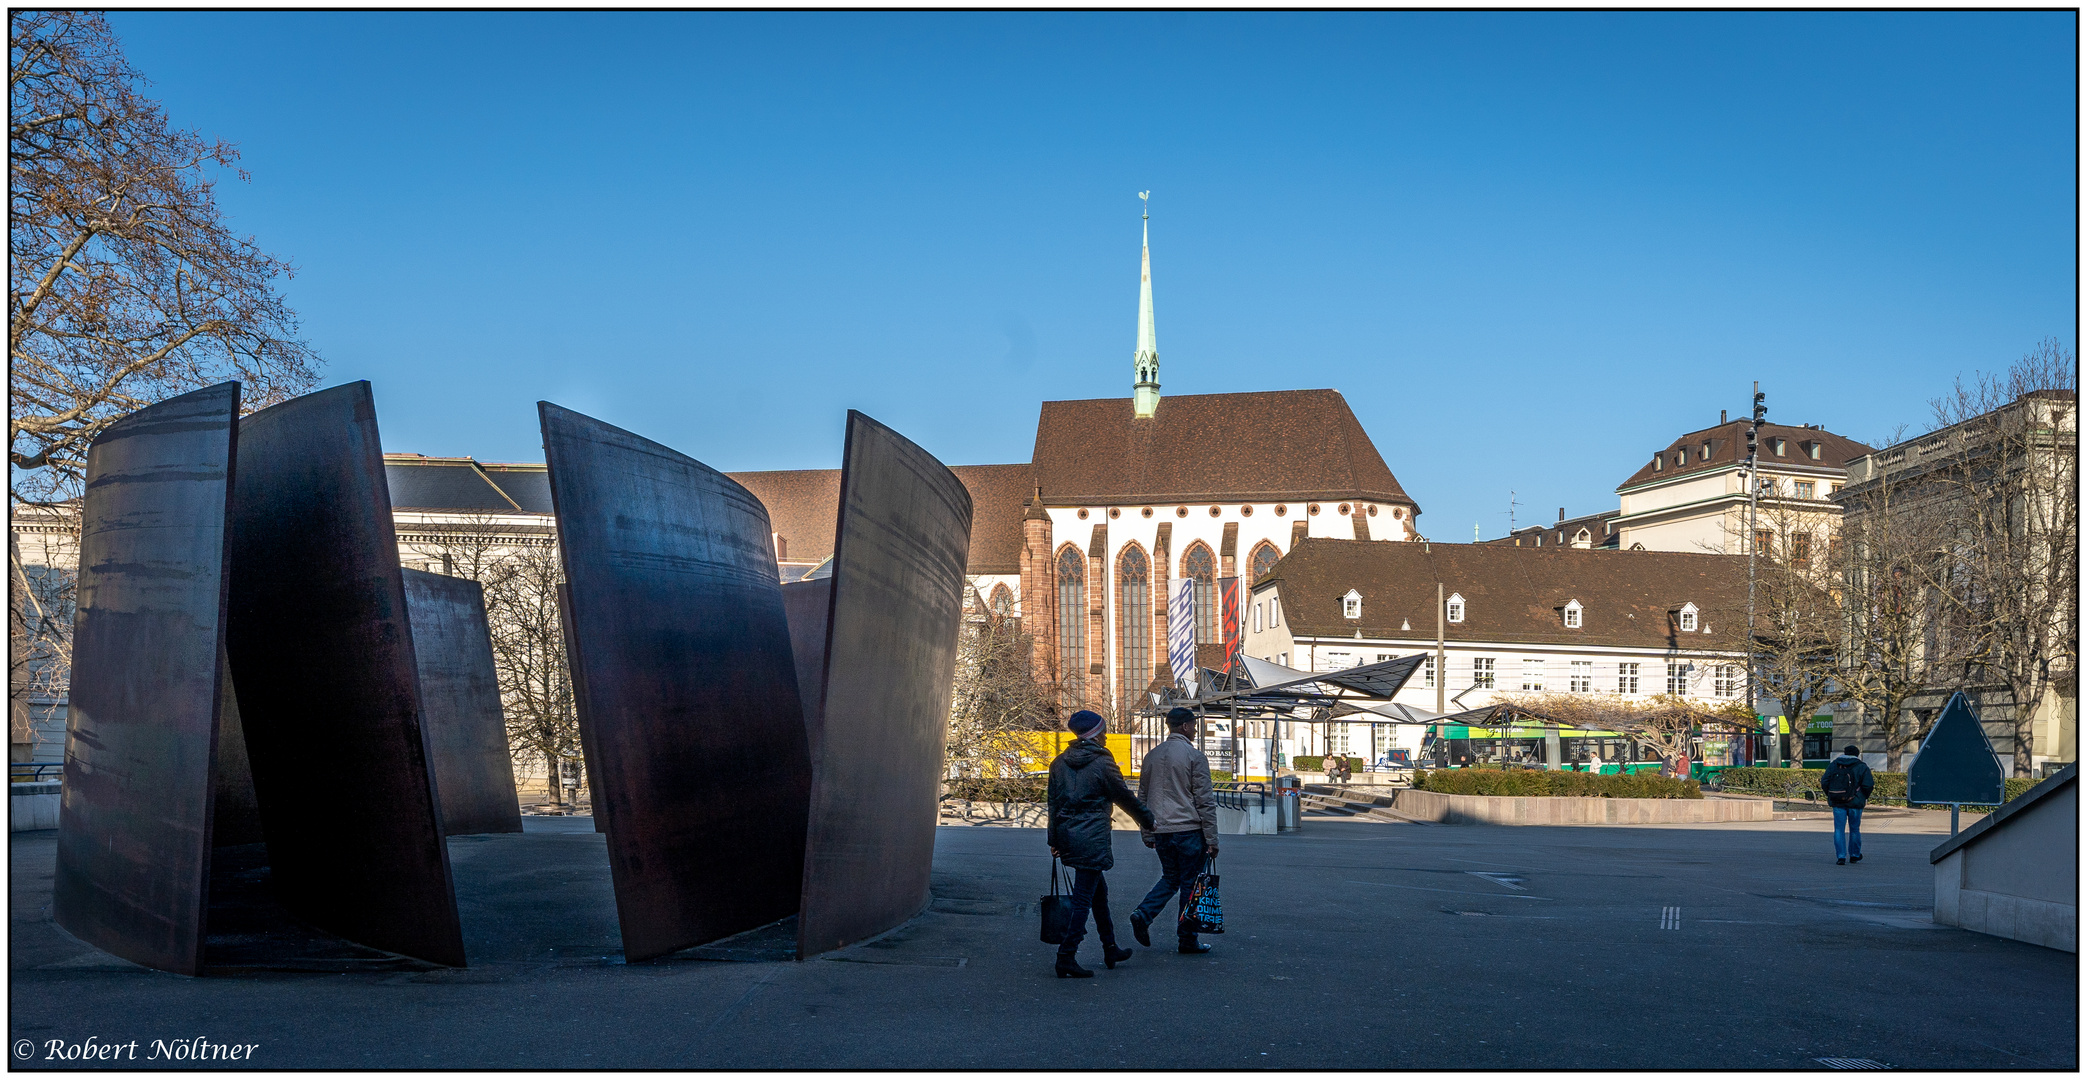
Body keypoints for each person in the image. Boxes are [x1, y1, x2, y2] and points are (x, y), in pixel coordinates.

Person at [1046, 710, 1156, 978]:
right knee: (1083, 898)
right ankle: (1066, 956)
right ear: (1096, 733)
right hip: (1092, 836)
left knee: (1098, 894)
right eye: (1103, 730)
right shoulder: (1102, 763)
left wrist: (1054, 840)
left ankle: (1110, 947)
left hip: (1069, 835)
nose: (1106, 735)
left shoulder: (1058, 763)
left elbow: (1053, 804)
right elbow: (1123, 796)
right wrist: (1148, 820)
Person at [1130, 707, 1221, 956]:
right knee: (1190, 885)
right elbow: (1204, 801)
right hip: (1189, 830)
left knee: (1170, 878)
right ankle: (1187, 939)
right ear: (1184, 727)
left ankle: (1143, 913)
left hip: (1161, 831)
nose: (1195, 729)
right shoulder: (1194, 756)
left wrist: (1148, 832)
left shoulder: (1151, 756)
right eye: (1193, 725)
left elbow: (1143, 797)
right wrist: (1212, 839)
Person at [1821, 744, 1874, 865]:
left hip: (1837, 801)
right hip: (1855, 802)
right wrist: (1863, 796)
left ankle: (1841, 856)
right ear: (1857, 754)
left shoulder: (1834, 764)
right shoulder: (1861, 766)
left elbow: (1825, 781)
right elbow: (1868, 785)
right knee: (1854, 829)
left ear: (1844, 752)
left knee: (1839, 829)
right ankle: (1854, 855)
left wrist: (1831, 795)